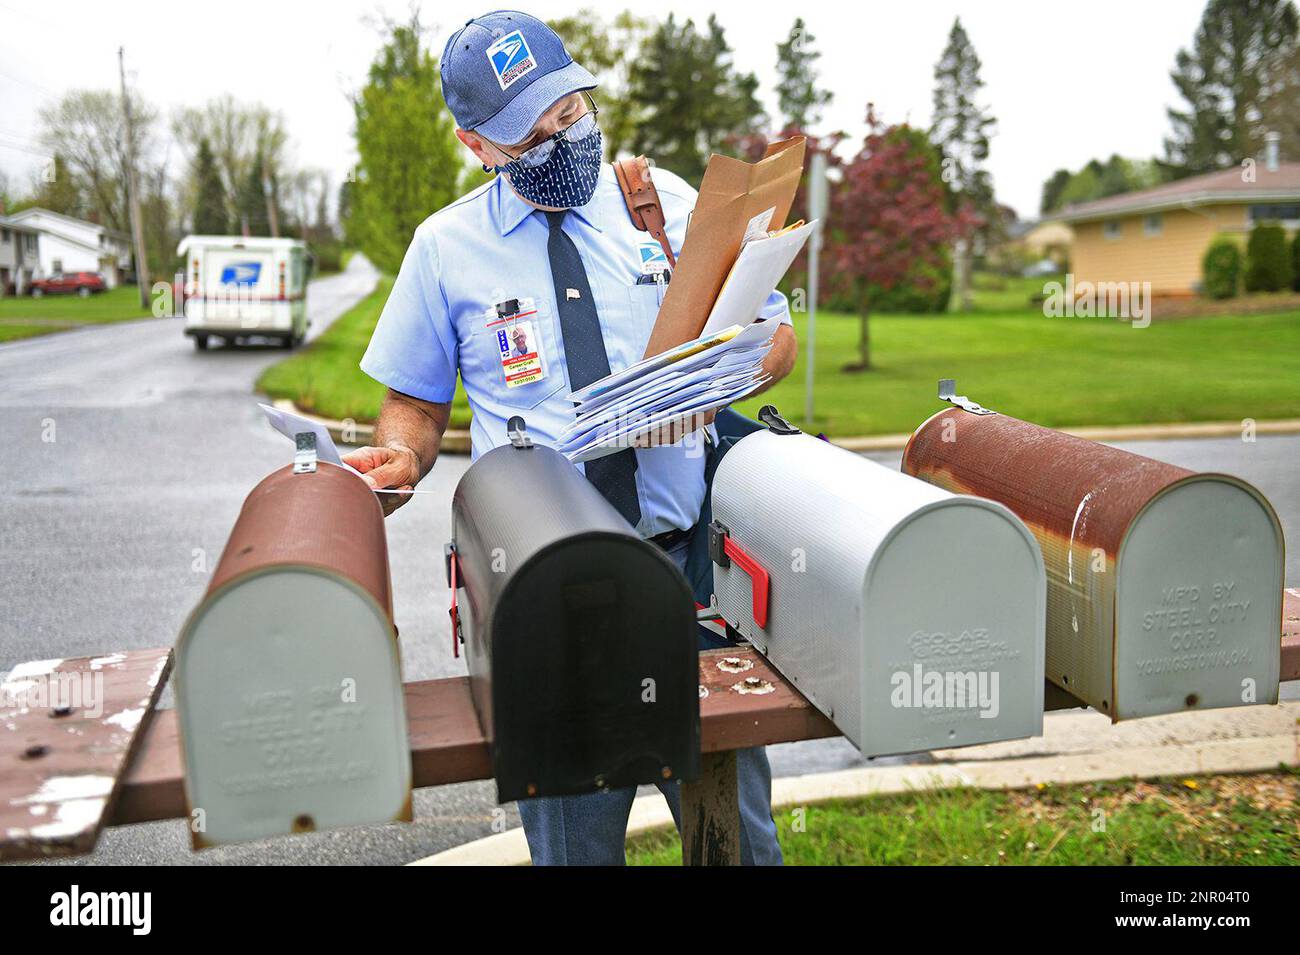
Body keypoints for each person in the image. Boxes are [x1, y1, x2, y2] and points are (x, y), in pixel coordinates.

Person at [345, 9, 796, 865]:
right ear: (476, 144)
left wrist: (733, 374)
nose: (563, 139)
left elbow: (775, 334)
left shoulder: (661, 204)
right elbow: (415, 405)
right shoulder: (444, 250)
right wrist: (403, 457)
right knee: (577, 855)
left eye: (571, 113)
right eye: (531, 134)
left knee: (739, 846)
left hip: (686, 578)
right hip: (550, 604)